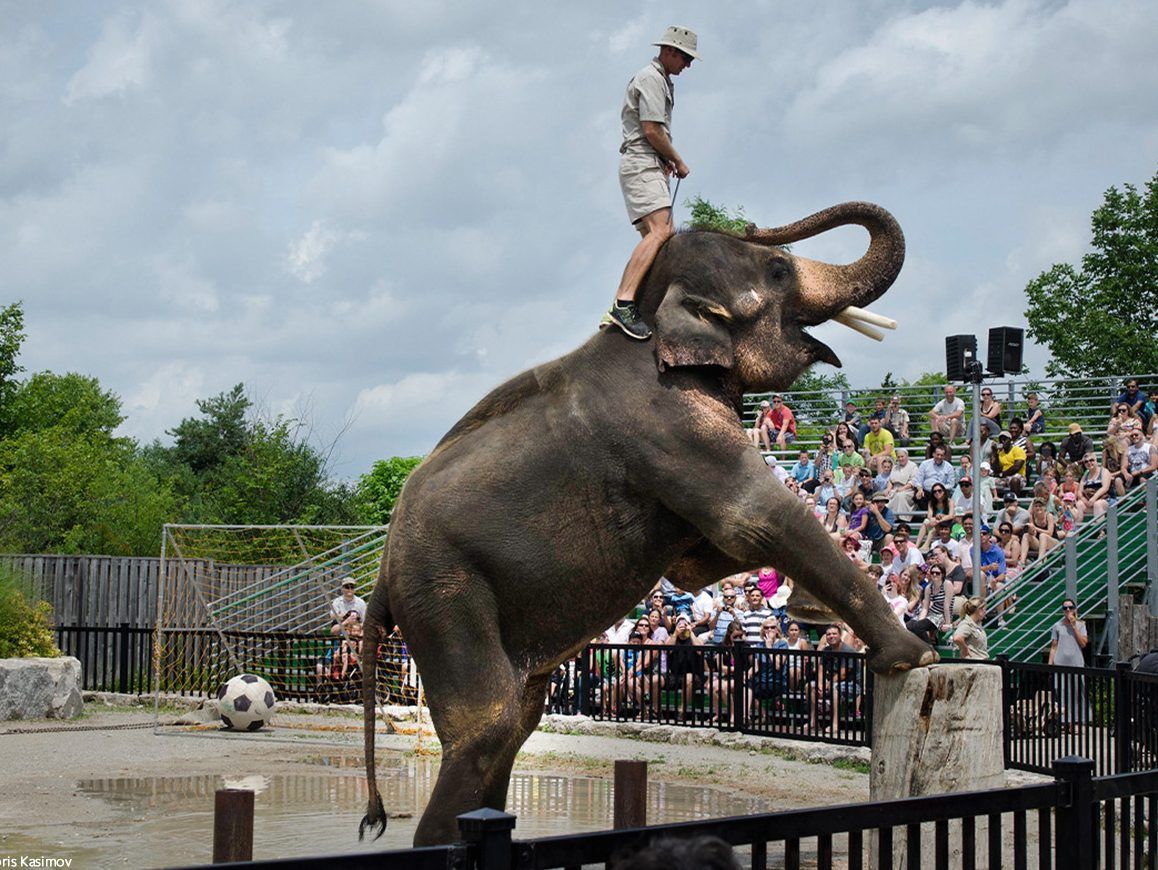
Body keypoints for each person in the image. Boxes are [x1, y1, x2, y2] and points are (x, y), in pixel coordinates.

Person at [605, 26, 698, 340]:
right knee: (661, 231)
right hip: (642, 162)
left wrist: (665, 159)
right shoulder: (651, 78)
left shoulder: (661, 80)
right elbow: (652, 131)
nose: (688, 65)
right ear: (670, 51)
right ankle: (624, 303)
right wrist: (678, 159)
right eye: (685, 57)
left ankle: (641, 303)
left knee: (656, 238)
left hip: (648, 163)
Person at [1048, 599, 1088, 731]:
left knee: (1076, 693)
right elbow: (1054, 646)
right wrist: (1050, 664)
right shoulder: (1057, 626)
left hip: (1076, 662)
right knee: (1062, 692)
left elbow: (1083, 643)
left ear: (1075, 609)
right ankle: (1064, 721)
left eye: (1070, 608)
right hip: (1060, 662)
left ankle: (1075, 721)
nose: (1068, 610)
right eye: (1065, 608)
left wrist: (1074, 626)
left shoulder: (1081, 625)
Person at [1078, 453, 1112, 519]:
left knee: (1097, 504)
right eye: (1086, 461)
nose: (1089, 463)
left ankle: (1100, 529)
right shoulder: (1085, 475)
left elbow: (1105, 488)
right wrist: (1084, 500)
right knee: (1079, 504)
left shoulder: (1104, 471)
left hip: (1106, 499)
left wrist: (1094, 498)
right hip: (1089, 501)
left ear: (1096, 461)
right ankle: (1078, 528)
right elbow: (1079, 491)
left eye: (1091, 460)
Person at [887, 448, 919, 515]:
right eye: (898, 457)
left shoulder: (913, 466)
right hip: (895, 488)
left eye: (902, 456)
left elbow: (913, 481)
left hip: (908, 490)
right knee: (886, 496)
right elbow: (890, 480)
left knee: (900, 496)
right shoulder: (895, 467)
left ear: (907, 456)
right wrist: (888, 489)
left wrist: (903, 488)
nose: (900, 459)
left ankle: (901, 517)